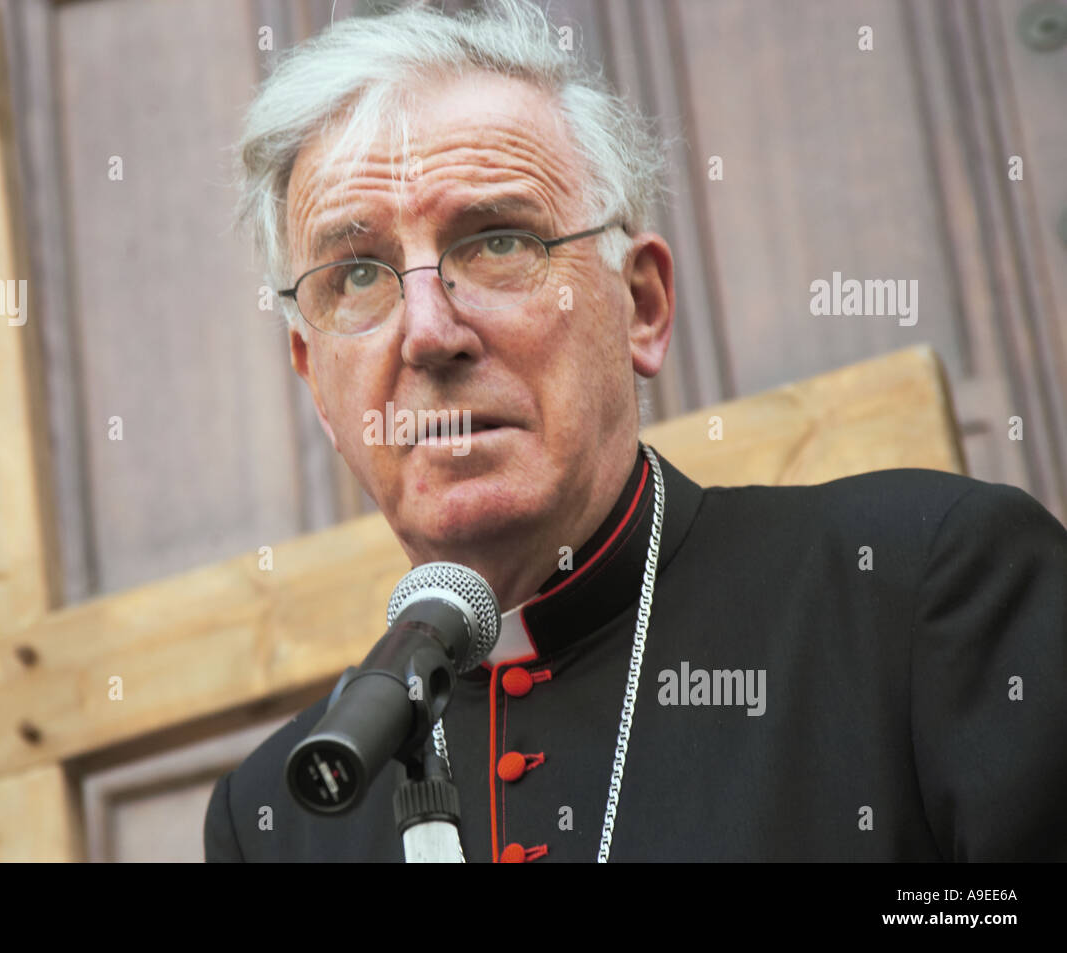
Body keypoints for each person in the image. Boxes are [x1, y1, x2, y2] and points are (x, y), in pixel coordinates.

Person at [204, 0, 1067, 862]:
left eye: (498, 241)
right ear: (316, 379)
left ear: (641, 306)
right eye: (357, 272)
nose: (430, 331)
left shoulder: (924, 594)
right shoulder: (276, 815)